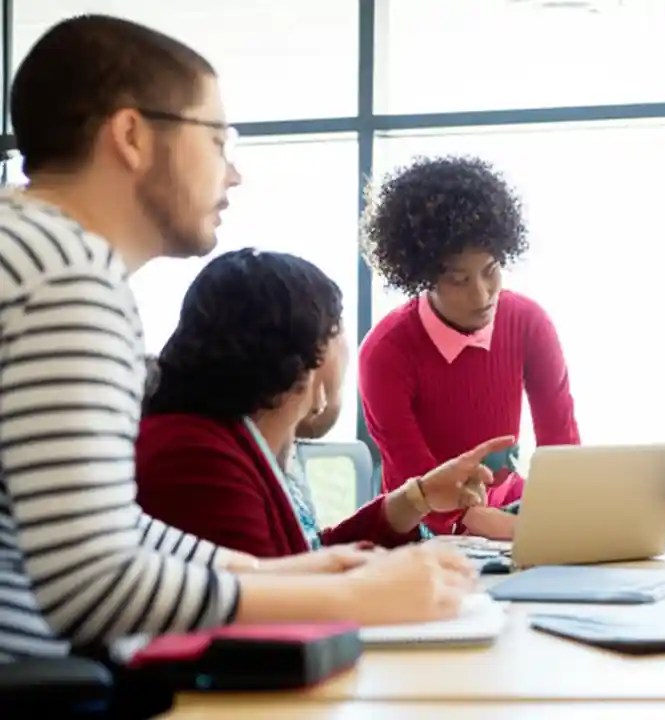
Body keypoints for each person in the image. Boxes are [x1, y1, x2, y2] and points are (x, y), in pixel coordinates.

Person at [0, 15, 472, 663]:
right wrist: (354, 599)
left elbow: (105, 532)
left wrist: (280, 572)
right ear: (131, 135)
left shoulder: (24, 249)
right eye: (218, 139)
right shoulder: (67, 278)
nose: (233, 173)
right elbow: (91, 585)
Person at [135, 249, 512, 558]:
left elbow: (305, 557)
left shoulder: (243, 443)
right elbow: (274, 601)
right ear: (307, 358)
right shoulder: (198, 461)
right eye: (337, 330)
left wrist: (419, 496)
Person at [359, 155, 580, 539]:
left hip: (510, 509)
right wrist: (501, 526)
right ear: (422, 276)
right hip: (426, 527)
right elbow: (417, 486)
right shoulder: (385, 352)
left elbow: (561, 446)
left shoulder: (528, 321)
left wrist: (562, 516)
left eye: (491, 270)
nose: (482, 294)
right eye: (459, 279)